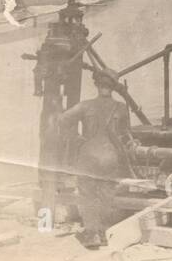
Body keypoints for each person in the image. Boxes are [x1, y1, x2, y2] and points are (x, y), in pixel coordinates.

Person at [56, 69, 132, 249]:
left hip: (88, 154)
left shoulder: (85, 105)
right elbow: (126, 133)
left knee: (88, 194)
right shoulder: (121, 108)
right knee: (106, 194)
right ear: (113, 87)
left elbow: (62, 120)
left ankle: (91, 234)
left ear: (97, 85)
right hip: (110, 157)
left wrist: (76, 138)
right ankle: (104, 233)